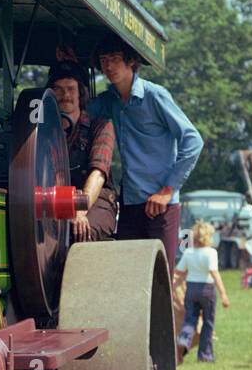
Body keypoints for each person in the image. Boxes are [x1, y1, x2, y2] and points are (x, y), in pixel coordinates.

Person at [87, 34, 203, 268]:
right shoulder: (109, 100)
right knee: (128, 278)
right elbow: (77, 111)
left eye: (115, 58)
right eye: (103, 60)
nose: (108, 66)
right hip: (129, 205)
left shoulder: (155, 95)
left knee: (160, 283)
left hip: (161, 206)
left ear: (131, 60)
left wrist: (167, 190)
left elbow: (193, 140)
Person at [47, 55, 117, 241]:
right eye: (59, 90)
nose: (66, 96)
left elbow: (98, 173)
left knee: (79, 231)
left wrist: (79, 210)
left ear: (81, 93)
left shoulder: (101, 126)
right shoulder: (43, 131)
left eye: (71, 89)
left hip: (96, 198)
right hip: (55, 197)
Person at [174, 220, 229, 362]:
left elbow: (179, 271)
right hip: (207, 289)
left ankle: (184, 341)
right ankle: (205, 354)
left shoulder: (188, 253)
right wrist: (223, 294)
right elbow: (214, 273)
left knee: (189, 320)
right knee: (208, 322)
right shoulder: (211, 253)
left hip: (191, 288)